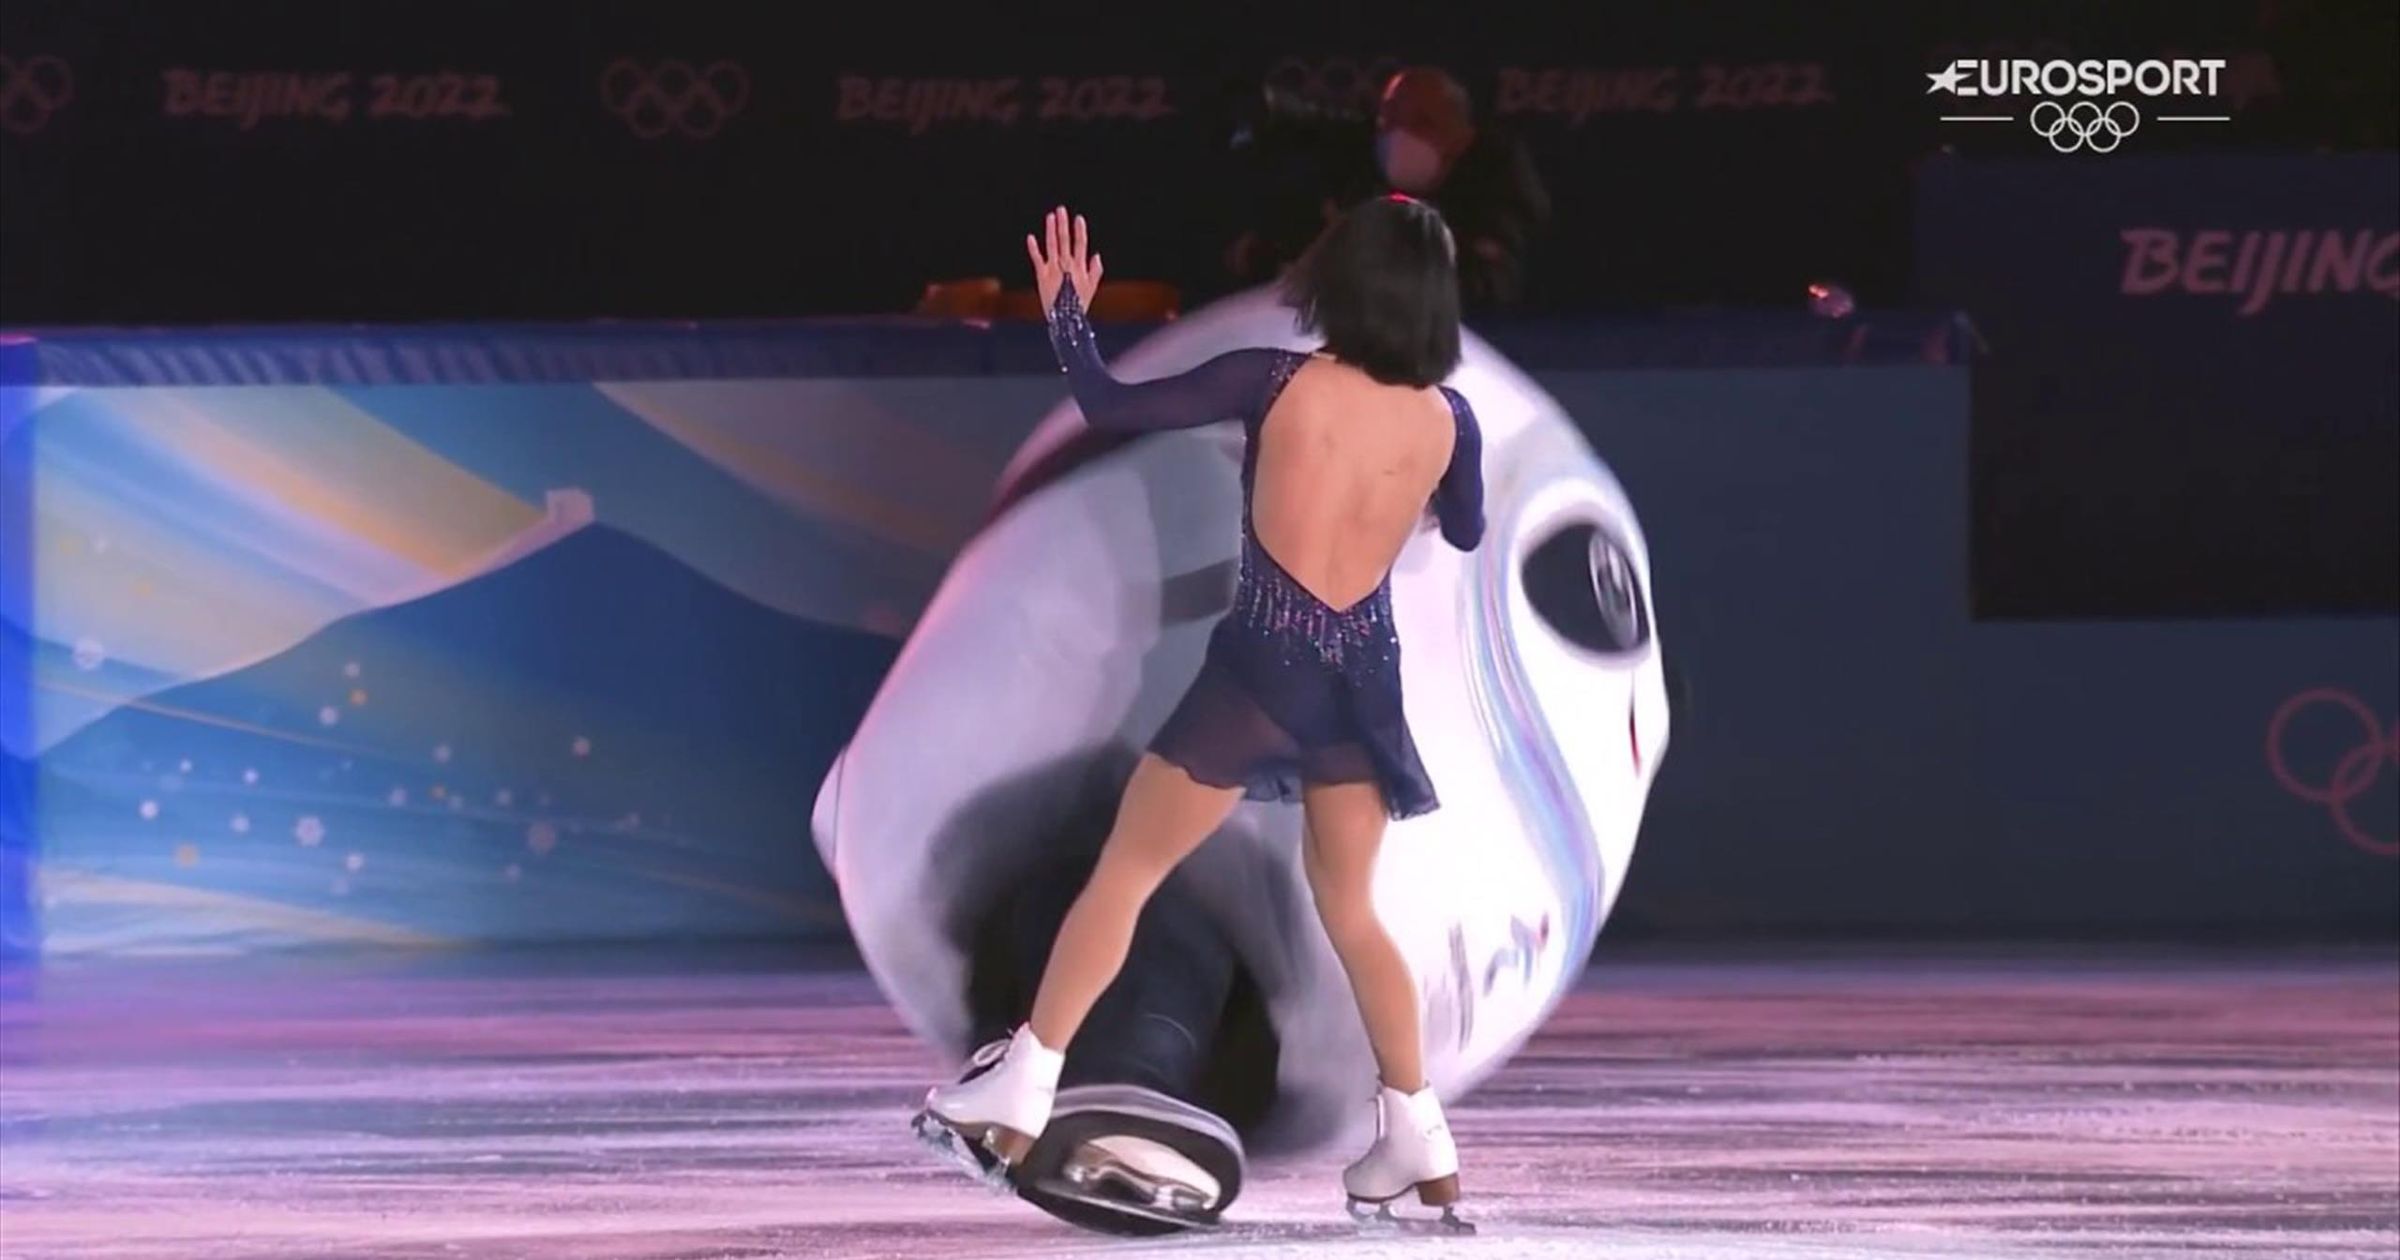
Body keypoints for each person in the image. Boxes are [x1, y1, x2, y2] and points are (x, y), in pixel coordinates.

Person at [913, 197, 1487, 1229]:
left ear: (1341, 282)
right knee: (1352, 911)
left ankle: (1023, 1084)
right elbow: (1469, 528)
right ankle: (1418, 1137)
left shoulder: (1278, 382)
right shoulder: (1450, 419)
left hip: (1262, 674)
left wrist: (1067, 317)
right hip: (1363, 682)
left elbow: (1107, 404)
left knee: (1127, 872)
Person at [1225, 68, 1549, 312]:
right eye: (1388, 118)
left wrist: (1378, 280)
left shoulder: (1497, 173)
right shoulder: (1357, 155)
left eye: (1423, 123)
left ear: (1461, 135)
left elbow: (1493, 288)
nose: (1399, 136)